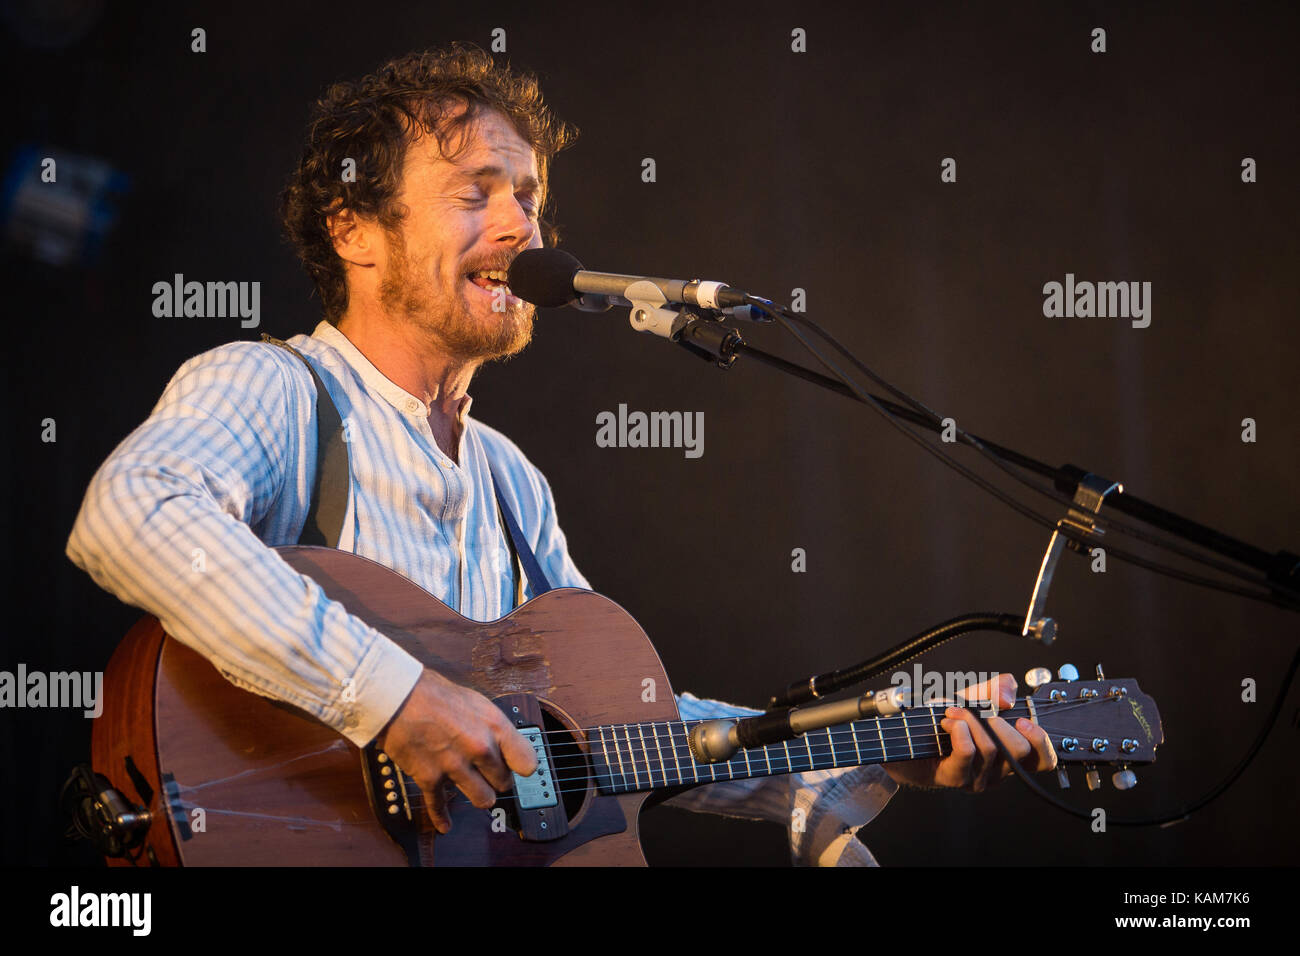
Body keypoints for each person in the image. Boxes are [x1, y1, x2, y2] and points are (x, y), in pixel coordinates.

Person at [65, 44, 1055, 866]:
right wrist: (393, 696)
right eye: (474, 193)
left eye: (528, 196)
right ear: (355, 229)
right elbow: (130, 511)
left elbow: (614, 722)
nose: (517, 224)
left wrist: (884, 743)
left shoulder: (508, 478)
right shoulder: (275, 387)